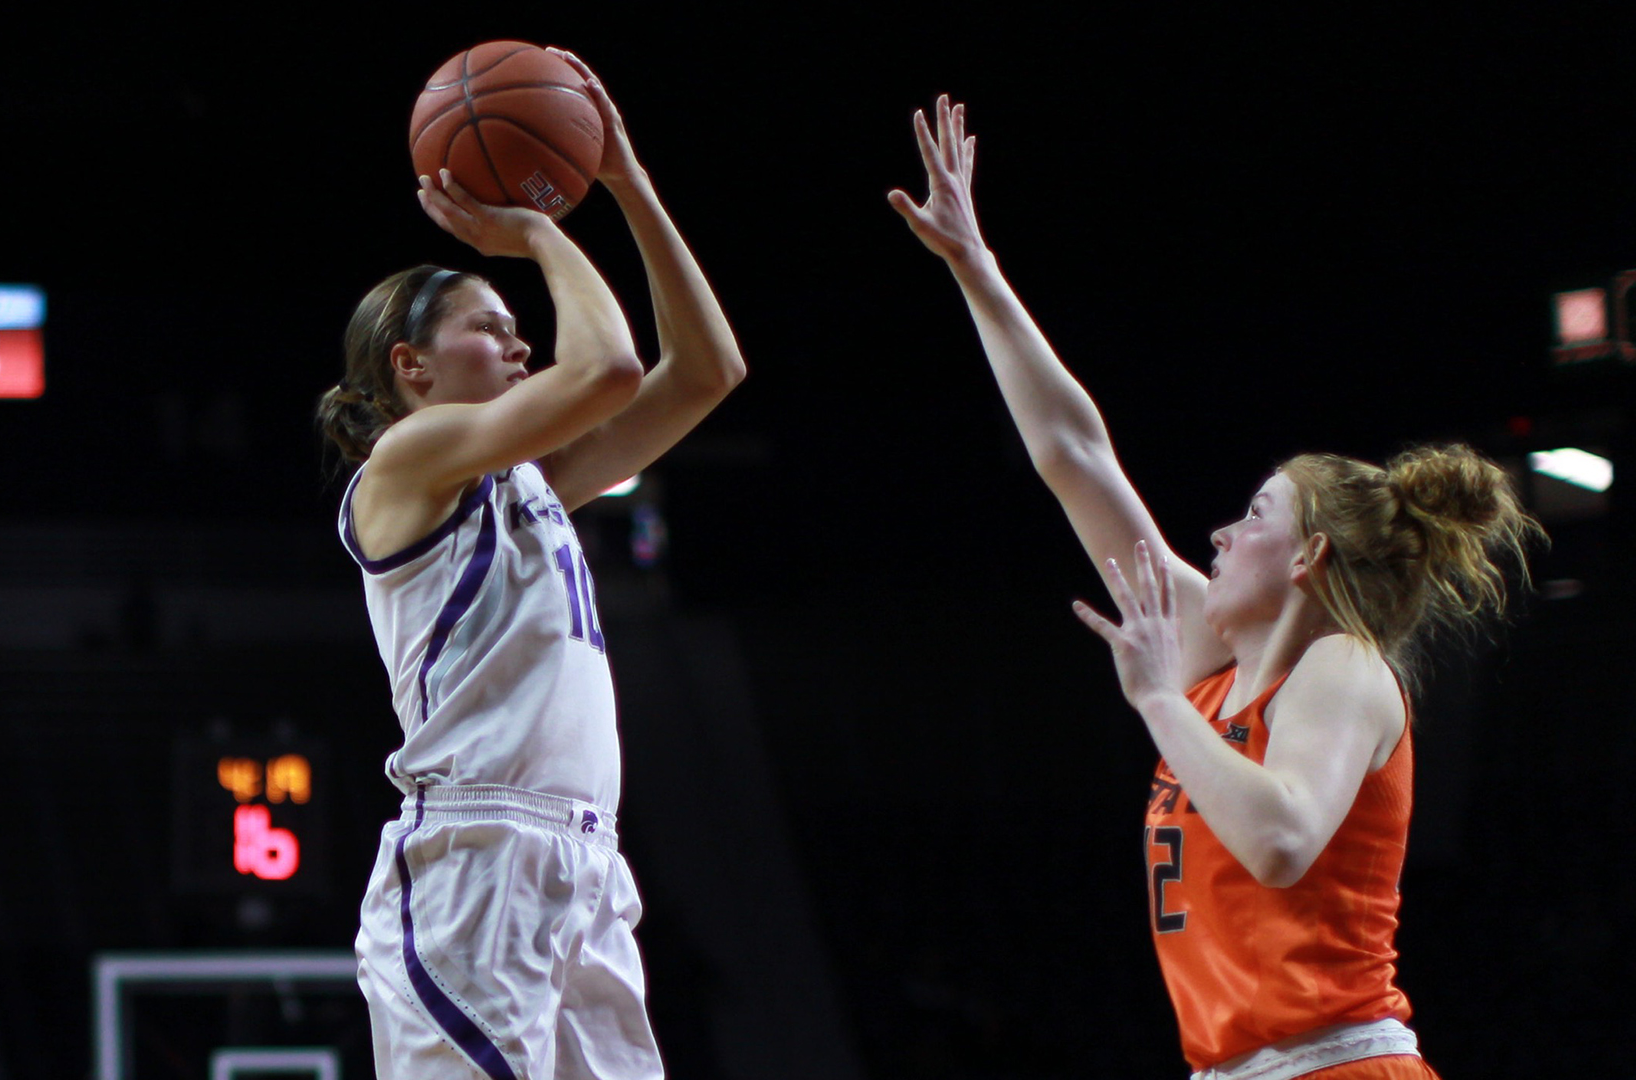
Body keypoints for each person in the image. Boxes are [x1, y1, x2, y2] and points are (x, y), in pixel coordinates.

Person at [890, 96, 1542, 1079]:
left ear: (1308, 560)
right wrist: (976, 271)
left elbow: (1281, 838)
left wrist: (1155, 699)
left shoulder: (1342, 669)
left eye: (1254, 518)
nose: (1220, 534)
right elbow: (1075, 457)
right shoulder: (1210, 660)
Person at [316, 51, 744, 1080]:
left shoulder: (533, 476)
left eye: (520, 331)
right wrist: (542, 230)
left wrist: (627, 184)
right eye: (493, 330)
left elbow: (708, 371)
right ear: (409, 368)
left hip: (582, 864)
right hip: (475, 860)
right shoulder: (404, 462)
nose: (520, 348)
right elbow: (606, 367)